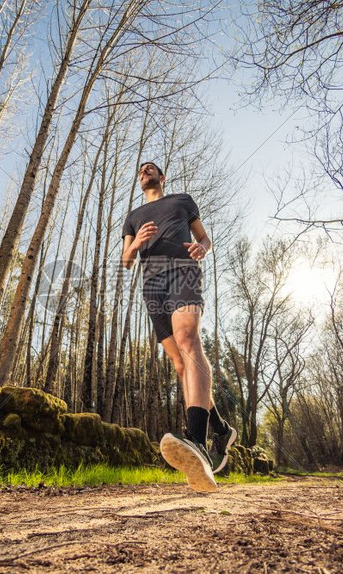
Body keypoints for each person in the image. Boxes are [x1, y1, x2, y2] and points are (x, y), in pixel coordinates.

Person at [121, 161, 237, 493]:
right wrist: (136, 242)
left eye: (150, 169)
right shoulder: (133, 217)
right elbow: (126, 261)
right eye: (141, 171)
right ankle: (220, 428)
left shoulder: (182, 200)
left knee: (188, 339)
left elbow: (204, 238)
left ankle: (197, 441)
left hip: (183, 271)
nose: (144, 171)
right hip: (152, 284)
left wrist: (204, 248)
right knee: (180, 364)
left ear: (162, 177)